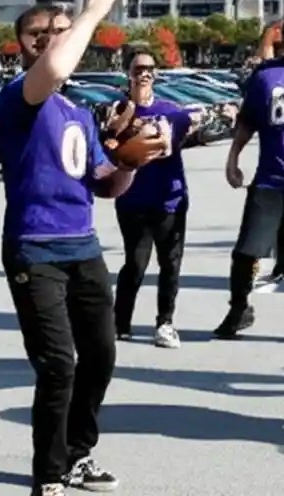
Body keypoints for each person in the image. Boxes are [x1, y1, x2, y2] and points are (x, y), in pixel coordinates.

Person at [0, 0, 167, 496]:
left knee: (101, 356)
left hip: (83, 246)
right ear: (24, 46)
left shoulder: (75, 111)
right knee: (57, 364)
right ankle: (48, 474)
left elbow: (103, 183)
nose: (53, 39)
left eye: (62, 30)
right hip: (34, 248)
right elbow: (51, 68)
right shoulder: (20, 97)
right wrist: (91, 14)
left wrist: (131, 161)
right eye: (41, 34)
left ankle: (77, 454)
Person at [216, 3, 284, 338]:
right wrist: (233, 158)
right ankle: (239, 308)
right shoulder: (266, 75)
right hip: (271, 179)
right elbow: (248, 122)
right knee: (246, 250)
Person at [112, 46, 209, 348]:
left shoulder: (172, 112)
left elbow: (195, 124)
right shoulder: (118, 111)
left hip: (169, 199)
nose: (143, 74)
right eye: (138, 69)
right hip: (133, 199)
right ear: (128, 73)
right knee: (136, 264)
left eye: (149, 69)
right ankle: (120, 323)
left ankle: (165, 323)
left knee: (170, 263)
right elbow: (106, 148)